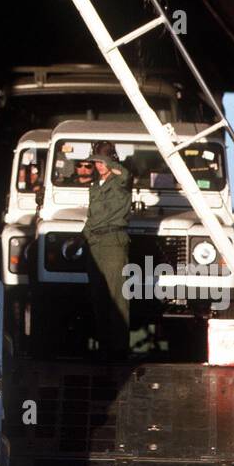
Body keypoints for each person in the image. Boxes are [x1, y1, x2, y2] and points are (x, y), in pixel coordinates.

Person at [81, 140, 132, 360]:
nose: (99, 166)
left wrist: (112, 163)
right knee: (98, 297)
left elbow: (126, 175)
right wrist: (81, 238)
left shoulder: (120, 181)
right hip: (95, 243)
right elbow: (91, 218)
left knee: (117, 297)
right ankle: (104, 346)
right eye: (97, 162)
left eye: (103, 162)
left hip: (113, 241)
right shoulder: (95, 187)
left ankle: (119, 348)